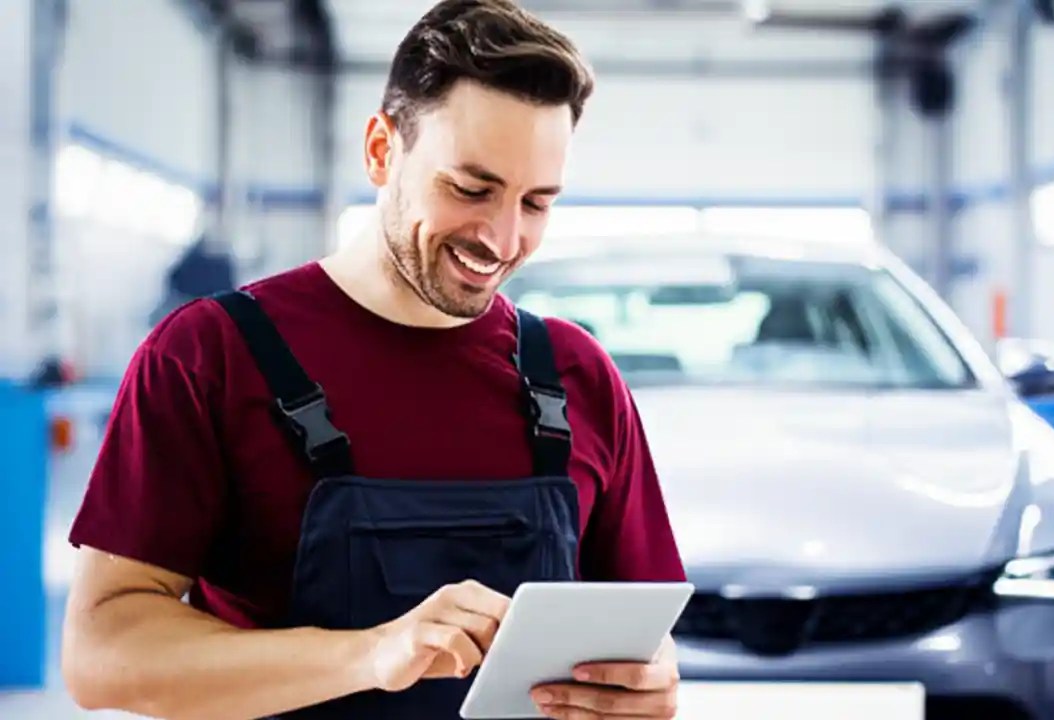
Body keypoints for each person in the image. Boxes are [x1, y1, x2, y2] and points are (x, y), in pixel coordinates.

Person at [60, 2, 686, 719]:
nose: (503, 238)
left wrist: (646, 685)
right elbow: (101, 655)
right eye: (470, 189)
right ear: (383, 152)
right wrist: (369, 653)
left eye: (536, 203)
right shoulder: (210, 355)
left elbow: (645, 642)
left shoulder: (579, 377)